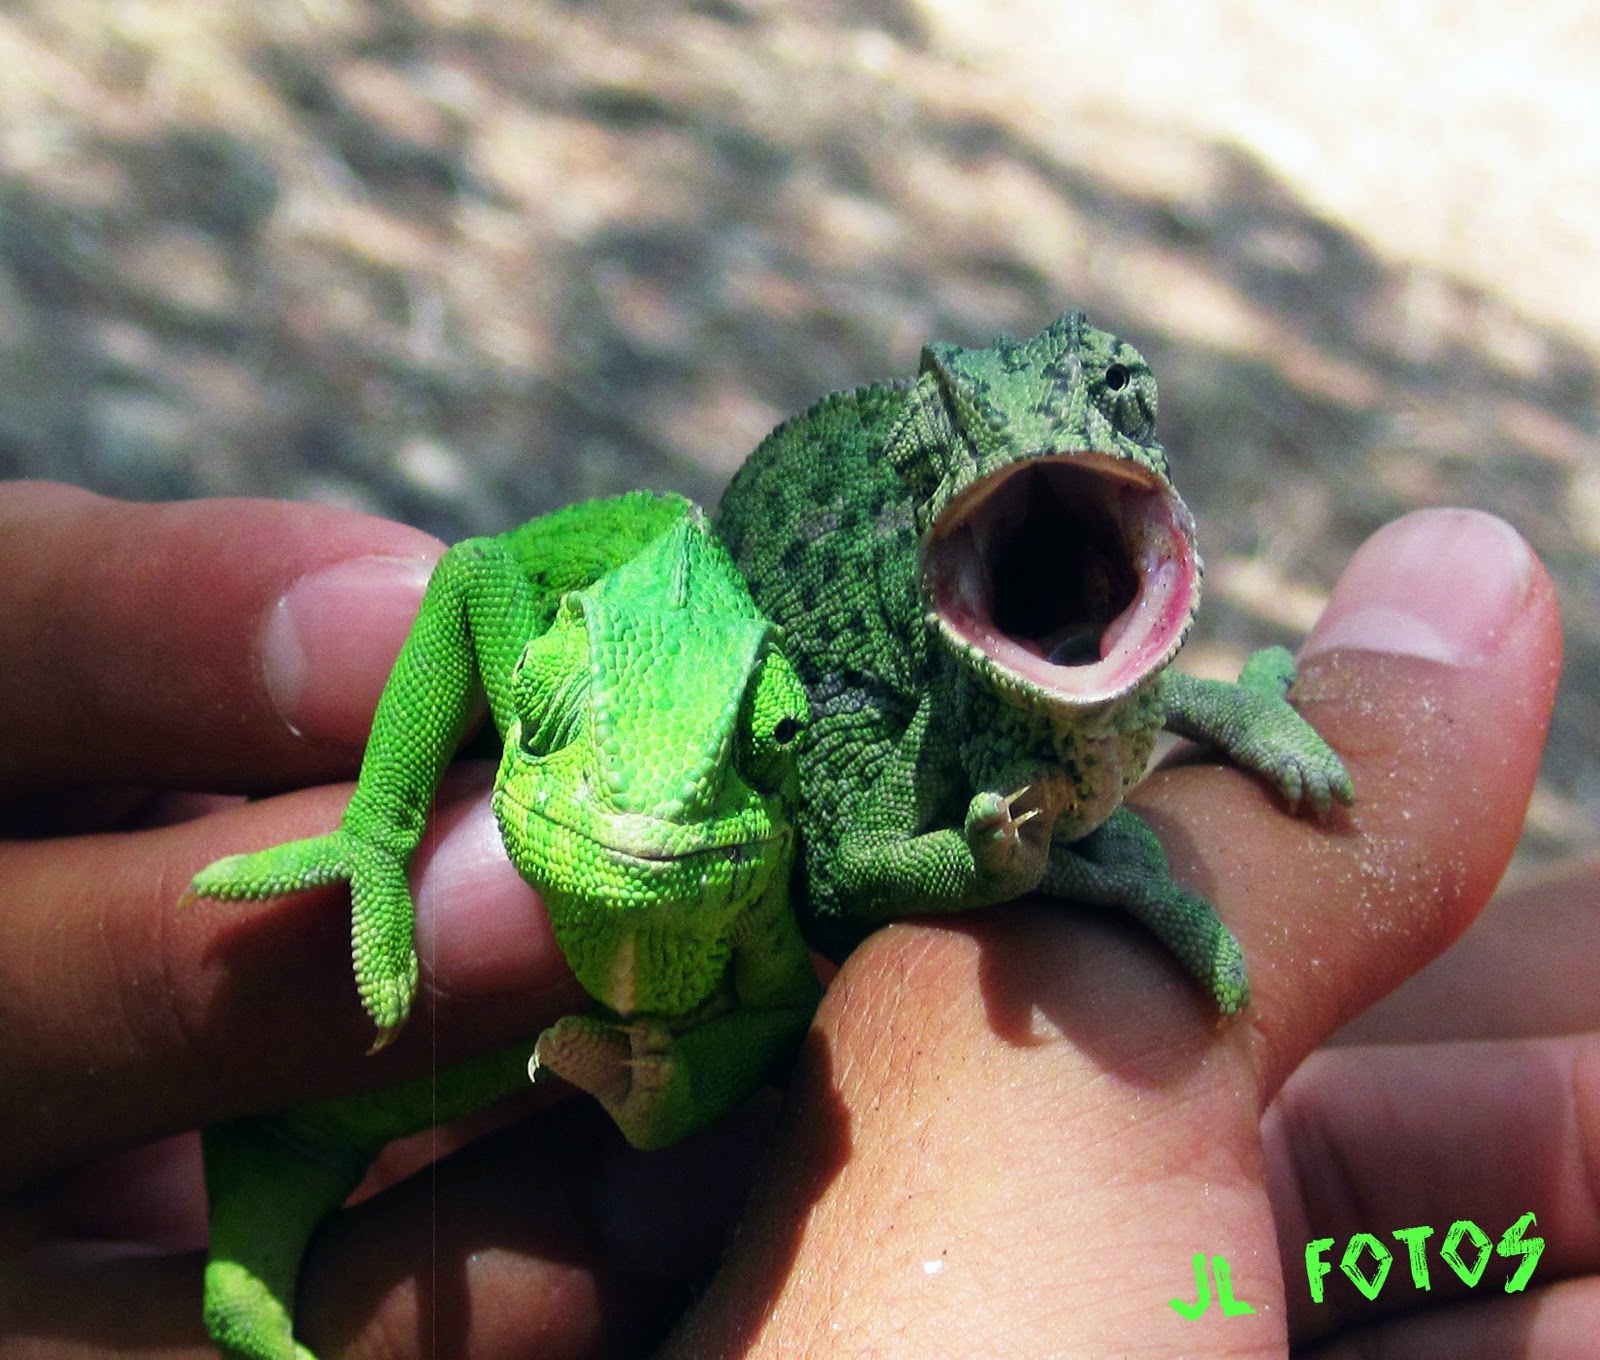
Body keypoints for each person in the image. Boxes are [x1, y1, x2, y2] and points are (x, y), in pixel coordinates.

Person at [0, 481, 1591, 1356]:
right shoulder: (580, 647)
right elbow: (480, 582)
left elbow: (791, 998)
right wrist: (379, 826)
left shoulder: (759, 852)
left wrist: (659, 1087)